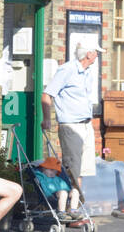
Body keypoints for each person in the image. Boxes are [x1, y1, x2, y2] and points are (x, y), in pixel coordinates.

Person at [41, 42, 102, 220]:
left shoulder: (87, 72)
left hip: (86, 124)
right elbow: (47, 95)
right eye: (96, 52)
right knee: (71, 168)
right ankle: (62, 208)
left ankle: (73, 208)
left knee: (82, 170)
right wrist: (46, 118)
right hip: (70, 125)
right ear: (88, 54)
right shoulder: (67, 70)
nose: (97, 56)